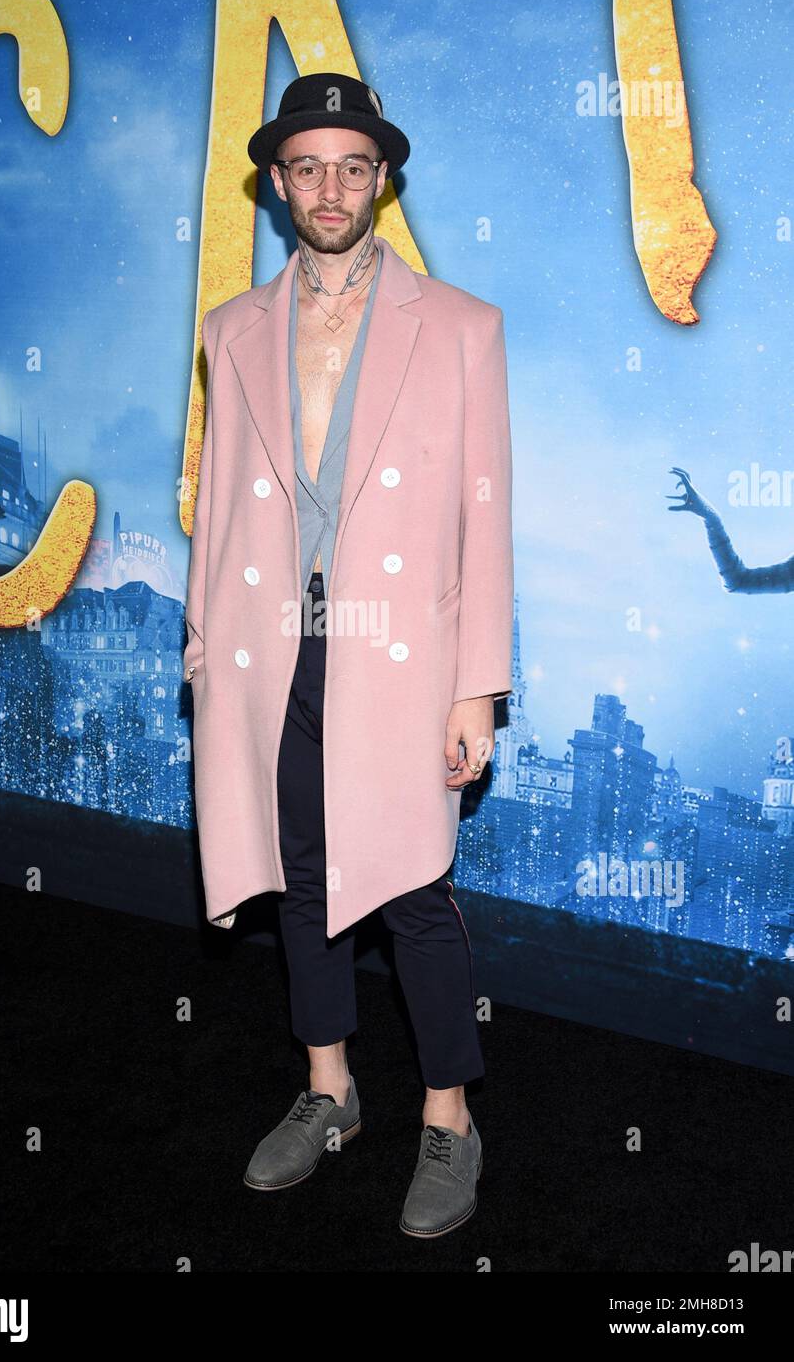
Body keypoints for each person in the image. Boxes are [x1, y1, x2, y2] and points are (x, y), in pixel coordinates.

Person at [183, 73, 514, 1236]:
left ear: (382, 179)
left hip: (402, 662)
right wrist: (199, 642)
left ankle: (447, 1116)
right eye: (308, 166)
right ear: (277, 184)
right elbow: (220, 502)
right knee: (303, 884)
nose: (331, 187)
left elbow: (485, 513)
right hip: (270, 654)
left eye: (353, 165)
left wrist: (476, 684)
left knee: (415, 891)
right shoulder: (231, 327)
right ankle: (329, 1093)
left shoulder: (462, 325)